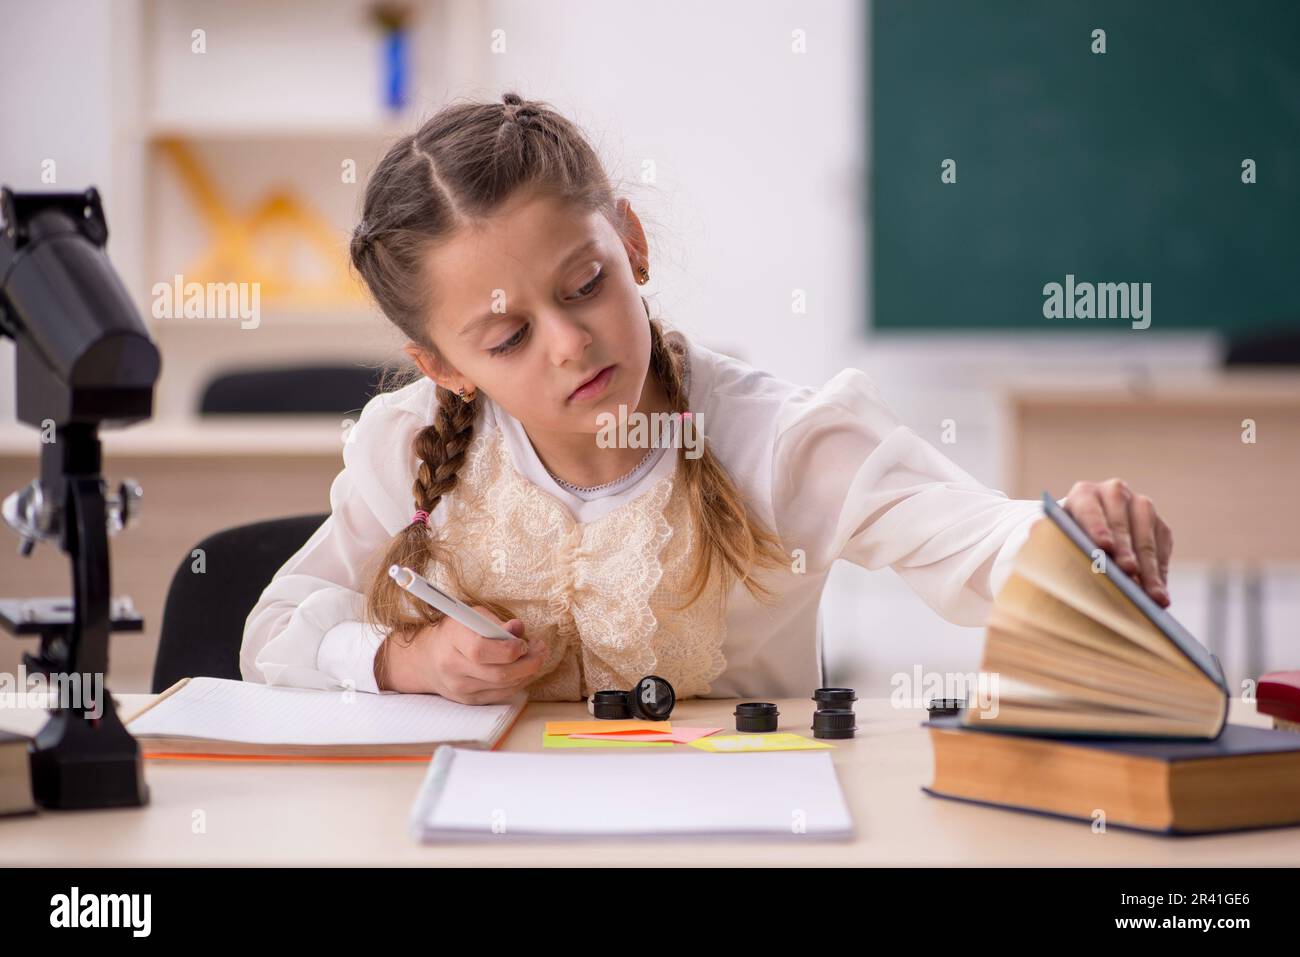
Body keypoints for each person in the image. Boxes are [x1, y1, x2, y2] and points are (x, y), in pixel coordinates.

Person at [240, 92, 1173, 705]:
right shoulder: (406, 451)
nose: (570, 343)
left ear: (631, 243)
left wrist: (1076, 536)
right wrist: (407, 661)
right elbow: (274, 633)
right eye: (509, 337)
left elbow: (976, 539)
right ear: (441, 365)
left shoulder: (778, 439)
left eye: (583, 285)